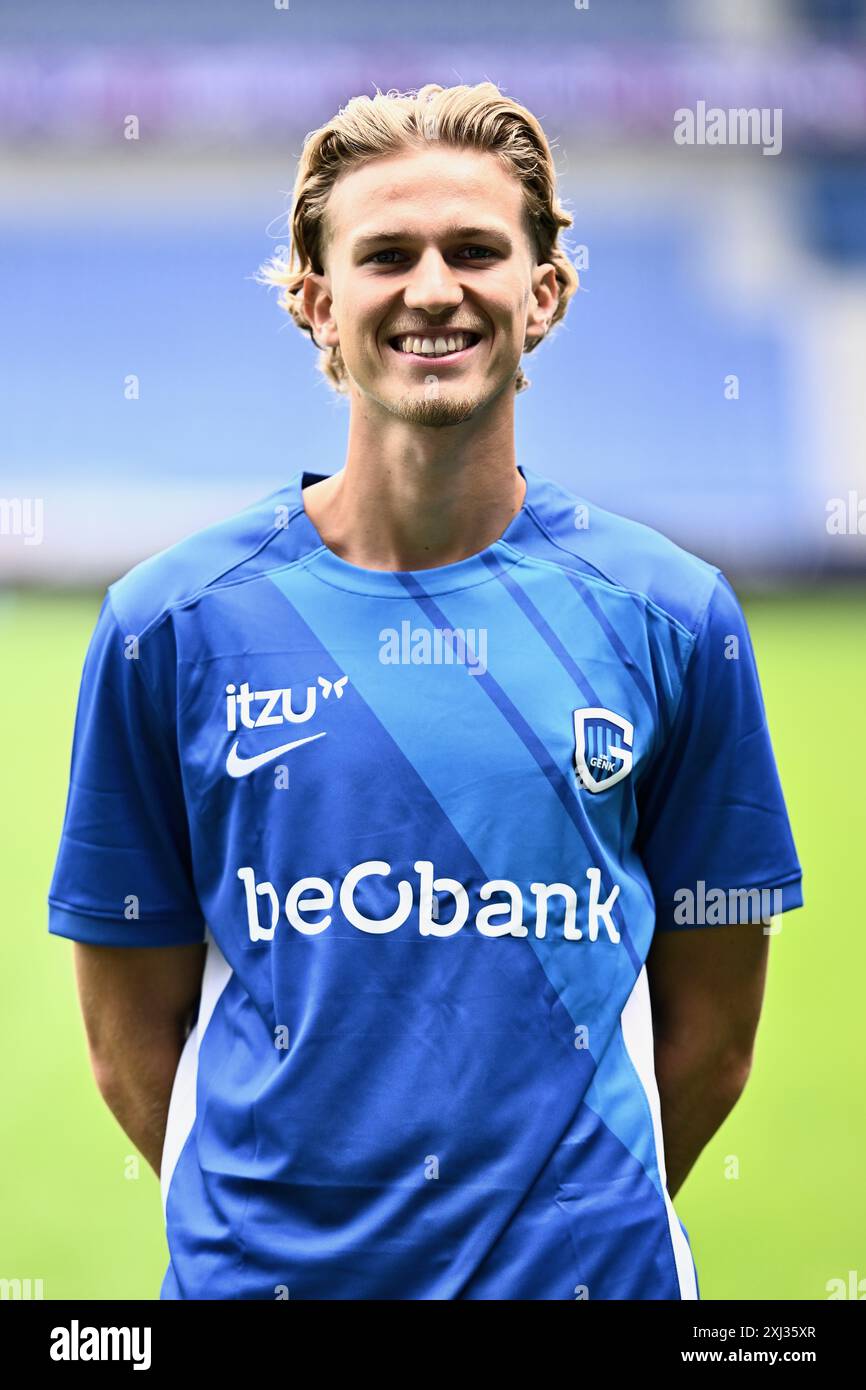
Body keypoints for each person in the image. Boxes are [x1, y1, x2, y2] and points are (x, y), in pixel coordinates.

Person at [47, 81, 803, 1300]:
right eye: (385, 254)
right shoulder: (171, 625)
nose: (433, 289)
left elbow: (710, 1036)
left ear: (542, 294)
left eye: (475, 251)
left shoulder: (672, 616)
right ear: (315, 301)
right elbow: (128, 1029)